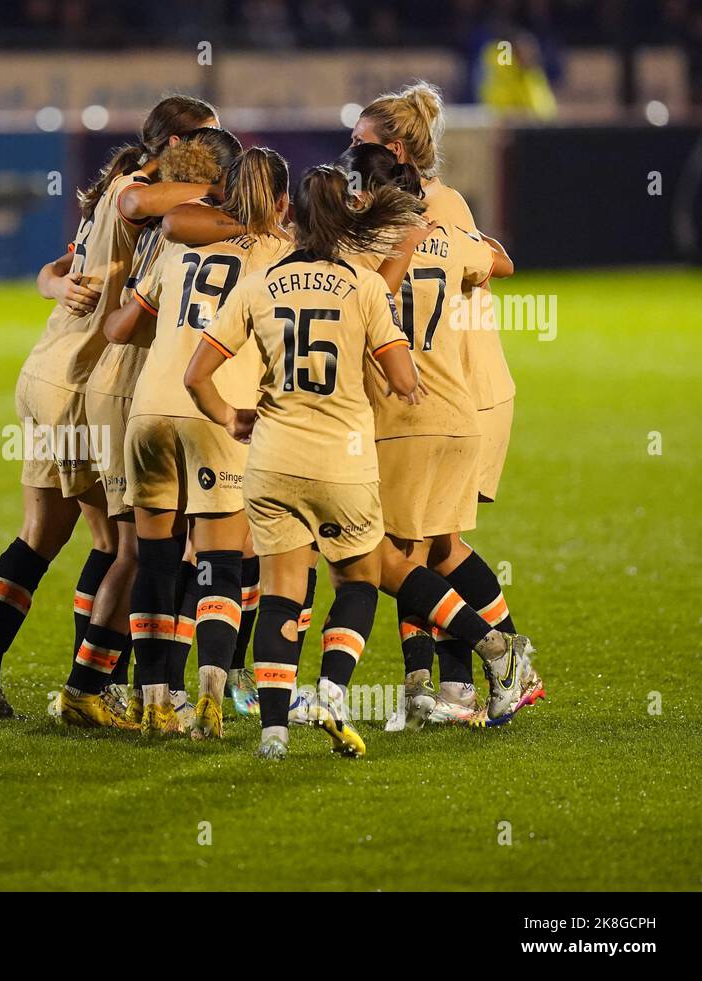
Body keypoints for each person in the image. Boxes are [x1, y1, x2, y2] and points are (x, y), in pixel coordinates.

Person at [184, 165, 534, 760]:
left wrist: (232, 416)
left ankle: (273, 736)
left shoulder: (259, 285)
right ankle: (467, 654)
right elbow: (404, 380)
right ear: (345, 217)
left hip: (271, 459)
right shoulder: (364, 287)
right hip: (343, 460)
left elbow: (197, 375)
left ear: (289, 217)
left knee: (281, 594)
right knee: (370, 575)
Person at [0, 95, 223, 721]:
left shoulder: (134, 188)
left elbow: (62, 265)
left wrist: (50, 282)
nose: (218, 154)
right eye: (207, 141)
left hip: (46, 372)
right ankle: (91, 688)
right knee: (133, 543)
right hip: (88, 380)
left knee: (48, 535)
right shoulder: (146, 190)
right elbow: (137, 211)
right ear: (176, 146)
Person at [350, 82, 544, 717]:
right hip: (438, 391)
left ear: (396, 150)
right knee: (425, 542)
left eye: (362, 145)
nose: (351, 155)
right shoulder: (429, 212)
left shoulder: (423, 209)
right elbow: (498, 260)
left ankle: (497, 658)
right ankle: (445, 686)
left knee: (422, 545)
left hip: (457, 388)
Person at [58, 125, 242, 729]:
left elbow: (118, 323)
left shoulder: (170, 235)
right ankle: (158, 689)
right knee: (185, 555)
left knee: (141, 552)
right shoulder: (260, 245)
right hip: (192, 403)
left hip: (143, 398)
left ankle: (140, 692)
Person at [122, 146, 294, 738]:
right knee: (219, 564)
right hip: (219, 411)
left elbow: (131, 312)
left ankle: (153, 703)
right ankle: (212, 700)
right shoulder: (279, 251)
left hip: (148, 409)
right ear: (279, 202)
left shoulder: (178, 243)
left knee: (157, 561)